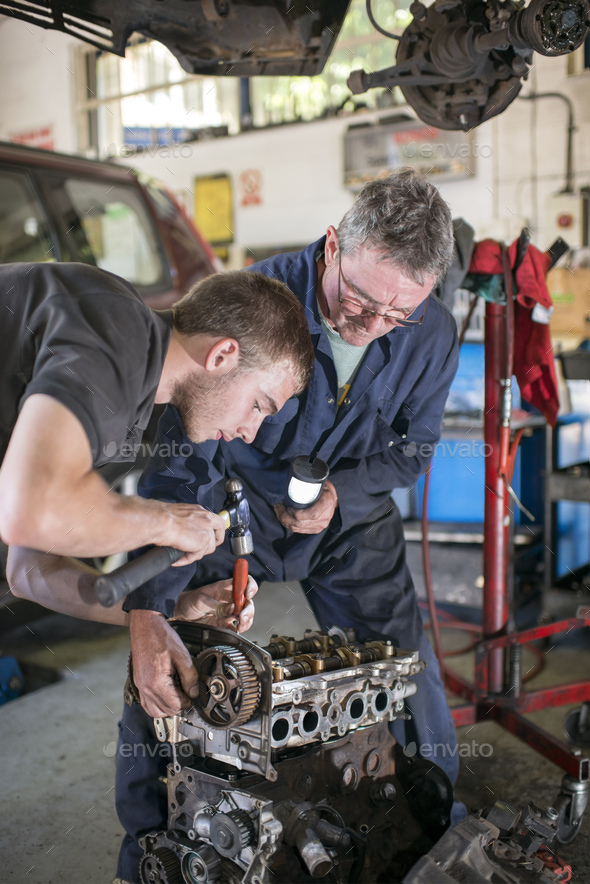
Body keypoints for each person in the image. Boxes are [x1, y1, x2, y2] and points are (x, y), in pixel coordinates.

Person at [11, 169, 463, 884]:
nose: (372, 323)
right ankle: (155, 854)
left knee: (407, 668)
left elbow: (414, 450)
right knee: (167, 673)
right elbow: (179, 456)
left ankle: (431, 825)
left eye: (397, 314)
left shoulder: (431, 331)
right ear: (333, 245)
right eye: (359, 298)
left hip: (347, 521)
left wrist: (340, 492)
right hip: (226, 503)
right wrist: (152, 607)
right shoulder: (256, 307)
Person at [0, 263, 313, 566]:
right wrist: (167, 523)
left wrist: (170, 611)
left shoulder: (132, 392)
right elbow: (29, 511)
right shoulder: (118, 334)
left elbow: (30, 570)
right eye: (259, 405)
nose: (250, 433)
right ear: (220, 356)